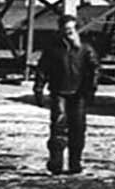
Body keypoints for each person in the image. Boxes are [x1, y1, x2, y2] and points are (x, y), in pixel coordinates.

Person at [32, 13, 100, 175]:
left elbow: (94, 70)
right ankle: (56, 164)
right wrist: (38, 89)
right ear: (60, 30)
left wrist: (91, 90)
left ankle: (75, 164)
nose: (69, 32)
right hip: (58, 92)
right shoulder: (52, 49)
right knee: (58, 128)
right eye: (65, 29)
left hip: (79, 94)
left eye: (71, 29)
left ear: (77, 30)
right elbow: (42, 70)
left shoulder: (85, 49)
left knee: (78, 129)